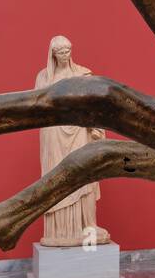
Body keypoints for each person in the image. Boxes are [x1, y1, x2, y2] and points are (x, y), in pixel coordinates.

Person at [35, 35, 111, 247]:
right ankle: (59, 231)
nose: (66, 54)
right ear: (53, 54)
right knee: (57, 177)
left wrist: (96, 126)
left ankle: (90, 225)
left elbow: (94, 102)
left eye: (68, 50)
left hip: (78, 130)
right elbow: (37, 106)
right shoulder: (43, 78)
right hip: (53, 134)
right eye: (61, 51)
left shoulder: (82, 74)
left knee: (84, 177)